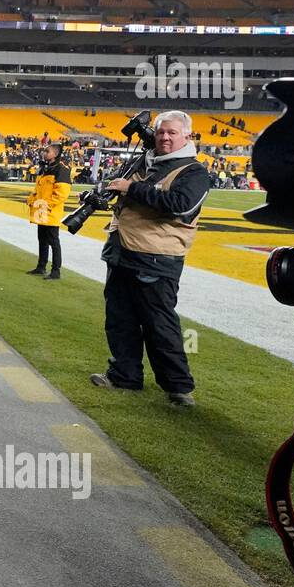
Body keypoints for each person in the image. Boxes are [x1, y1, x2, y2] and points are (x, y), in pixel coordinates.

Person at [89, 111, 211, 407]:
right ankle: (124, 375)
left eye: (172, 133)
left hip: (157, 259)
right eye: (160, 133)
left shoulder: (194, 171)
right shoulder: (145, 160)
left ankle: (179, 388)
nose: (165, 137)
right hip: (122, 251)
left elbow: (180, 206)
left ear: (187, 136)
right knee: (120, 319)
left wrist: (131, 188)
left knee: (159, 323)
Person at [25, 144, 71, 280]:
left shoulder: (61, 168)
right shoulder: (45, 168)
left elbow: (61, 194)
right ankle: (41, 267)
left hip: (50, 211)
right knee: (42, 240)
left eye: (47, 151)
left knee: (53, 242)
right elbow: (38, 190)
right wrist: (31, 200)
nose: (44, 153)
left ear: (55, 154)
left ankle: (56, 271)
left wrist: (46, 205)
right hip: (41, 209)